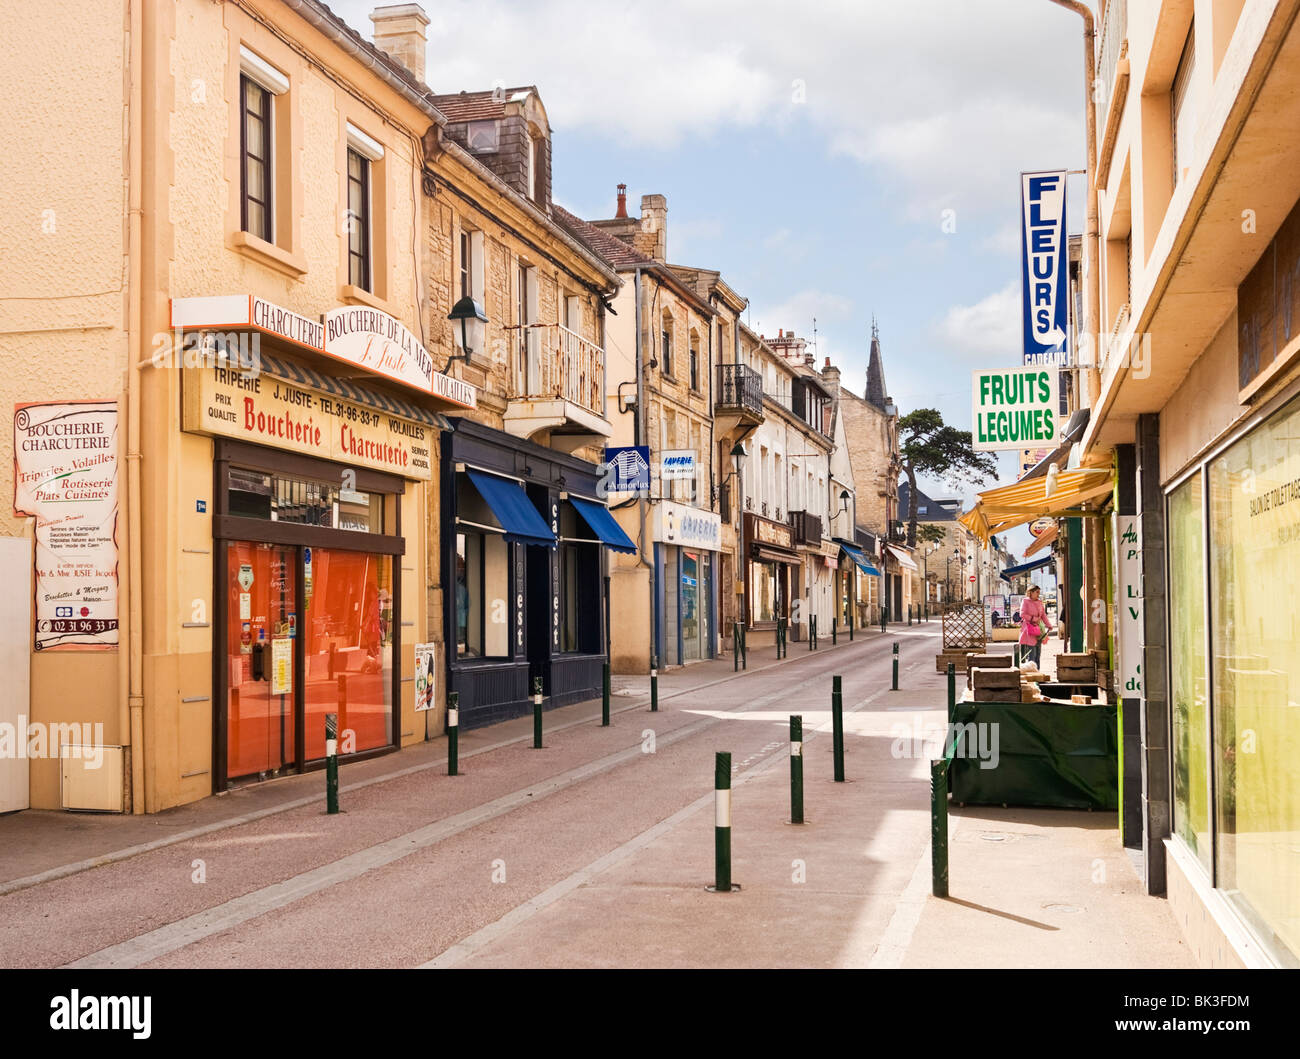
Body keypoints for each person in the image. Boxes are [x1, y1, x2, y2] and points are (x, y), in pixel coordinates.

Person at [1018, 585, 1052, 666]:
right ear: (1031, 592)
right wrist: (1034, 619)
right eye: (1037, 592)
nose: (1038, 594)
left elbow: (1043, 615)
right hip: (1030, 629)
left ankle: (1037, 670)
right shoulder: (1025, 601)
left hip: (1039, 629)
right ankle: (1031, 671)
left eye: (1039, 592)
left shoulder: (1039, 602)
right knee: (1032, 652)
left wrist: (1049, 625)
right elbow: (1022, 614)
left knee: (1038, 652)